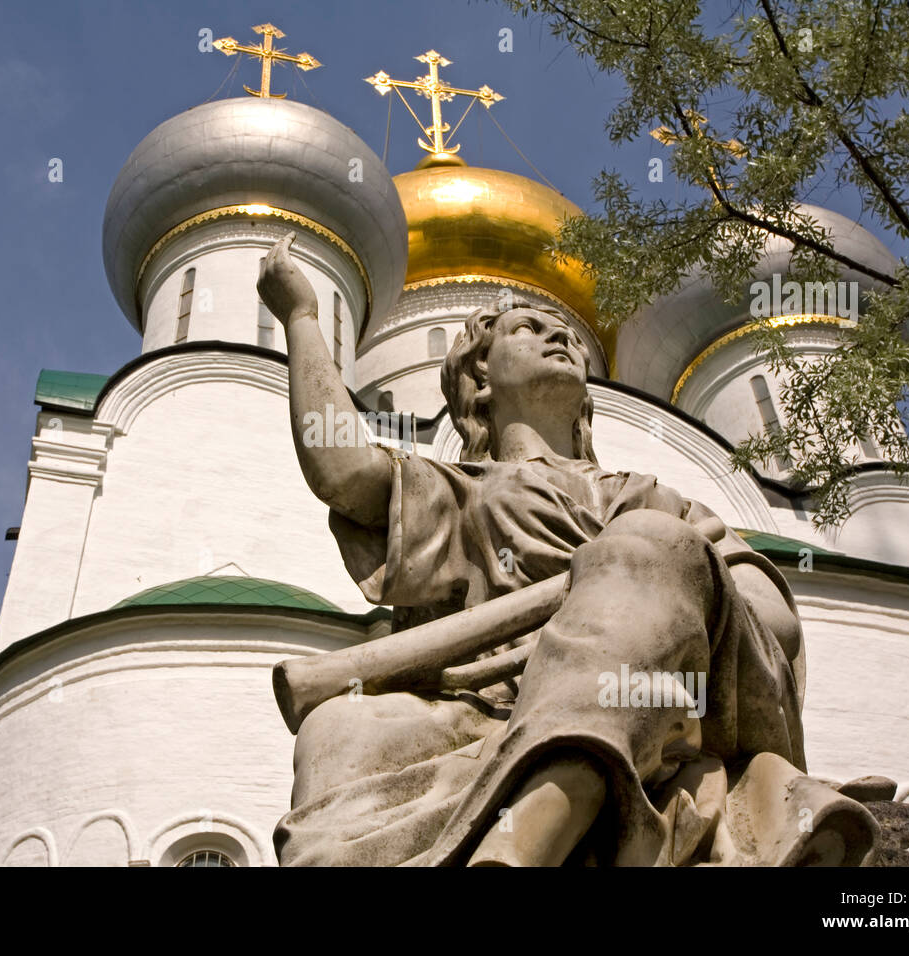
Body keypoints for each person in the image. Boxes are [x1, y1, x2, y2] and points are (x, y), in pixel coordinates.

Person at [257, 232, 877, 866]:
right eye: (527, 329)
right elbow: (342, 470)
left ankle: (529, 837)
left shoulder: (653, 500)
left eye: (571, 338)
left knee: (650, 543)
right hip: (496, 709)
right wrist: (303, 318)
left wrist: (634, 582)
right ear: (480, 378)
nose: (560, 339)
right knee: (339, 729)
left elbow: (774, 623)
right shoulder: (460, 494)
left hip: (680, 700)